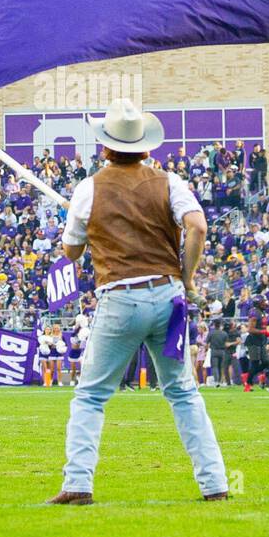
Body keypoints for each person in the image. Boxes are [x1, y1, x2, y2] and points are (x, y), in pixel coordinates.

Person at [49, 98, 227, 505]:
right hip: (169, 296)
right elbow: (197, 226)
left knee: (91, 396)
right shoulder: (169, 182)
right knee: (183, 393)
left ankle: (78, 484)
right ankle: (214, 483)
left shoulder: (88, 188)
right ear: (145, 146)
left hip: (120, 298)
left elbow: (71, 252)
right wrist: (188, 277)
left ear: (105, 147)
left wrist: (80, 222)